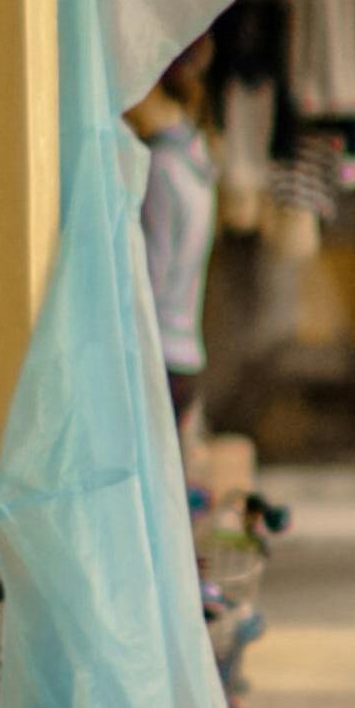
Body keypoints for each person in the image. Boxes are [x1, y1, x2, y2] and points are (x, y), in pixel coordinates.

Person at [132, 45, 217, 466]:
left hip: (158, 351)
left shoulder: (160, 166)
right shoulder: (198, 159)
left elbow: (153, 268)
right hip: (187, 349)